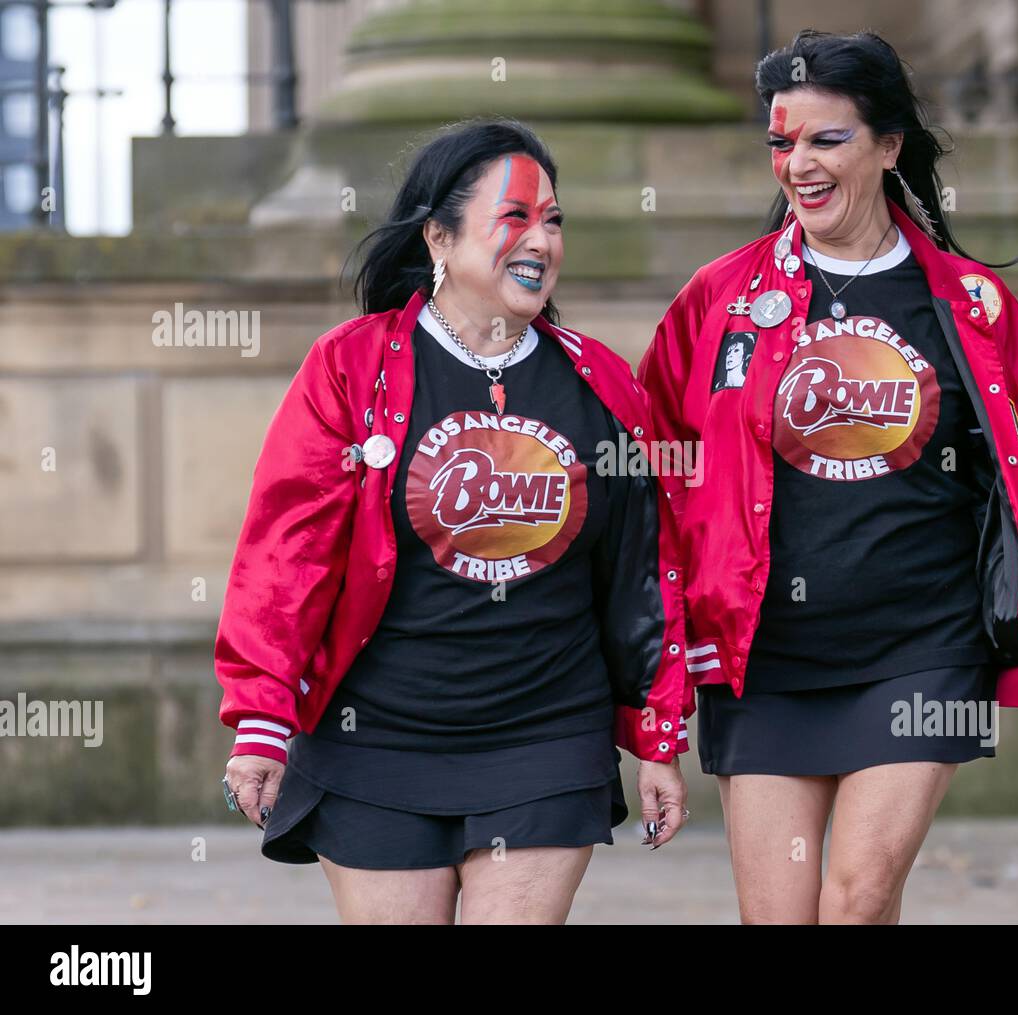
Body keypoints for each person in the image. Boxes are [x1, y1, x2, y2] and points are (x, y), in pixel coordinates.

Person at [637, 30, 1018, 924]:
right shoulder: (716, 300)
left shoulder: (972, 305)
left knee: (857, 898)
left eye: (824, 140)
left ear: (887, 146)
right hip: (760, 656)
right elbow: (655, 478)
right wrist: (662, 676)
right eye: (781, 142)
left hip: (922, 648)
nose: (797, 163)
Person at [217, 118, 691, 924]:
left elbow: (641, 571)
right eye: (516, 217)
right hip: (378, 741)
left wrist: (658, 732)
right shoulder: (351, 367)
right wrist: (262, 720)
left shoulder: (603, 382)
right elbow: (285, 551)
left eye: (554, 220)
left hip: (546, 736)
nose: (542, 238)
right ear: (438, 235)